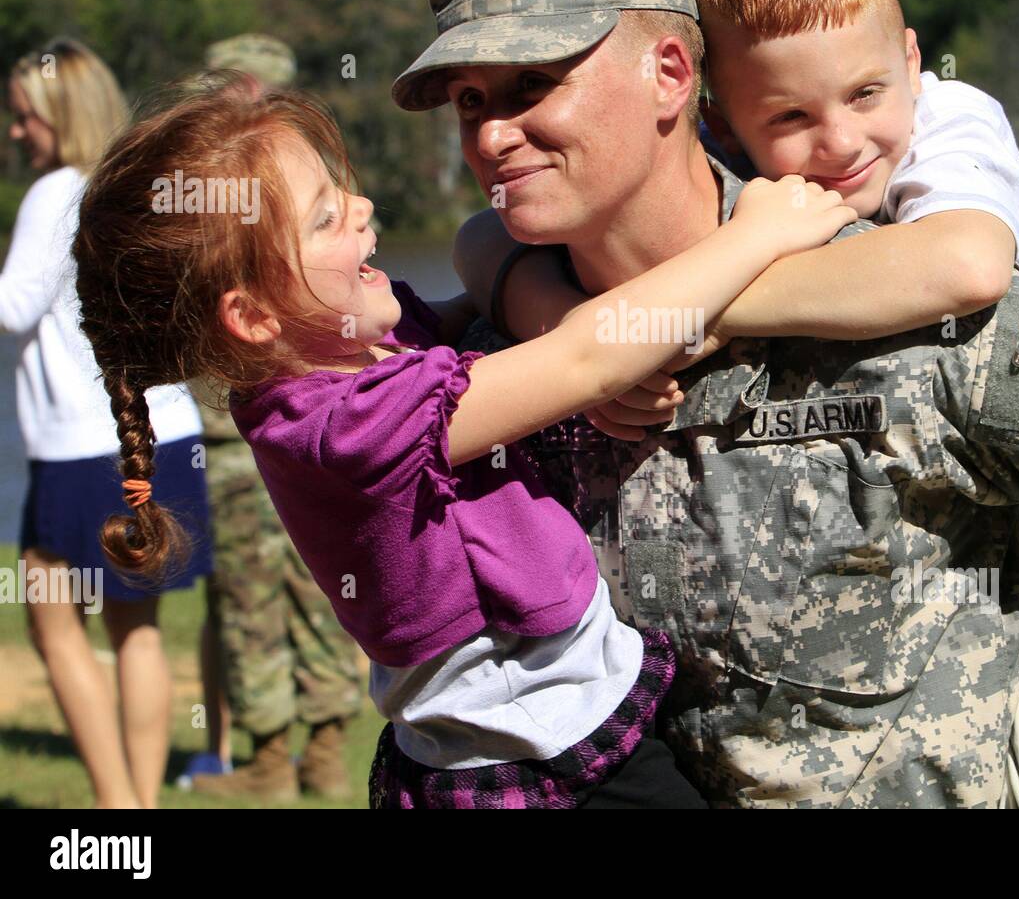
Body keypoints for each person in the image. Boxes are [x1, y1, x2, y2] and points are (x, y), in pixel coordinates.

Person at [394, 0, 1019, 807]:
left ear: (671, 75)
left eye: (532, 86)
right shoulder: (499, 364)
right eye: (470, 102)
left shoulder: (909, 304)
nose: (491, 136)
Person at [69, 79, 855, 808]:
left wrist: (565, 341)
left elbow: (496, 317)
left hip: (548, 721)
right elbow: (584, 355)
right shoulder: (343, 422)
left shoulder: (356, 348)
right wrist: (755, 234)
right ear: (253, 317)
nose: (362, 205)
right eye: (323, 217)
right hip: (535, 755)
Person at [1, 37, 212, 808]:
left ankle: (118, 810)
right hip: (159, 437)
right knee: (138, 631)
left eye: (24, 117)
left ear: (59, 113)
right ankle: (144, 812)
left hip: (81, 448)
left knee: (54, 629)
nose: (15, 131)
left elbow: (12, 306)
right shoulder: (135, 187)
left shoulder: (54, 190)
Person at [176, 38, 365, 804]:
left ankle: (273, 761)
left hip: (248, 436)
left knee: (257, 602)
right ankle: (317, 751)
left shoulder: (230, 190)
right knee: (312, 590)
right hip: (310, 426)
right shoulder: (320, 181)